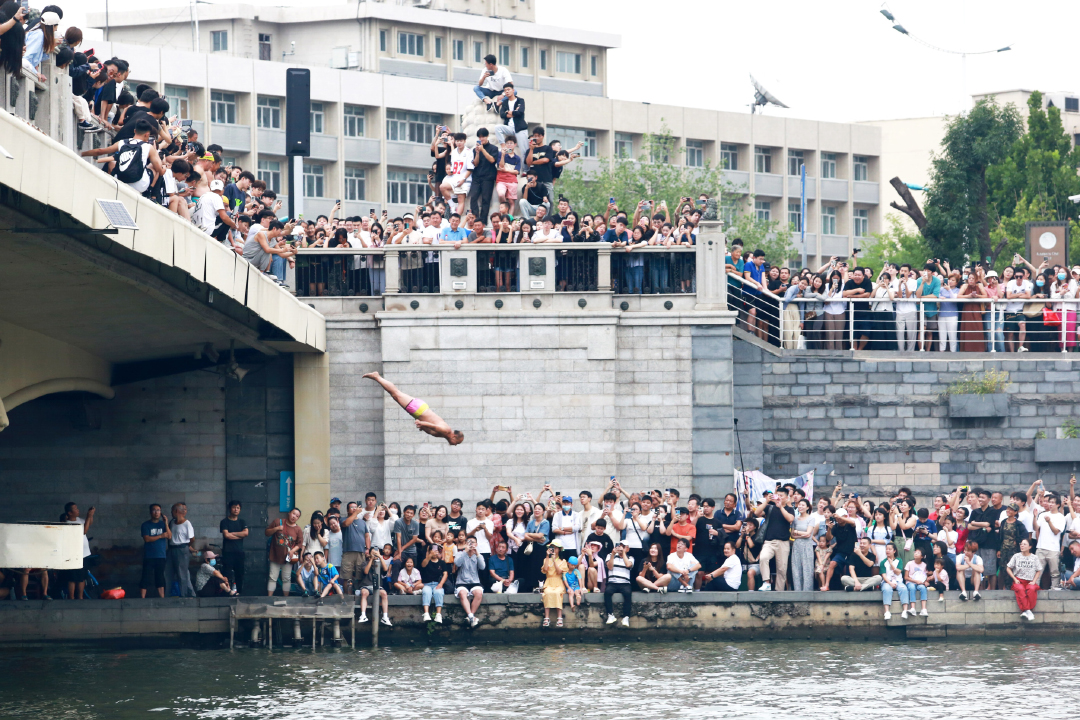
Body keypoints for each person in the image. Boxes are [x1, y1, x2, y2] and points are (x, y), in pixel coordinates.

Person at [363, 371, 464, 445]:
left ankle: (377, 377)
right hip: (418, 409)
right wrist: (422, 423)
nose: (455, 444)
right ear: (454, 436)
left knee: (396, 395)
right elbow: (433, 426)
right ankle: (377, 377)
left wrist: (422, 427)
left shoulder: (443, 434)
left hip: (419, 409)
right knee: (396, 394)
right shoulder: (446, 431)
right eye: (456, 442)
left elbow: (430, 429)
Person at [753, 488, 794, 591]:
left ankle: (779, 591)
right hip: (769, 541)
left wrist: (780, 507)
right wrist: (766, 501)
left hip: (783, 542)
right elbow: (757, 512)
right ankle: (766, 582)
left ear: (786, 497)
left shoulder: (789, 509)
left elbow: (790, 519)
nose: (778, 497)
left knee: (782, 569)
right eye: (777, 495)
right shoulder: (770, 507)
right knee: (763, 558)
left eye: (781, 496)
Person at [264, 508, 303, 597]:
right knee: (272, 578)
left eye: (297, 516)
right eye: (293, 514)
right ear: (289, 513)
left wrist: (293, 551)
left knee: (286, 579)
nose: (294, 517)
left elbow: (300, 544)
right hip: (275, 556)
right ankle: (269, 598)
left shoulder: (298, 529)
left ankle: (286, 598)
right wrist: (277, 528)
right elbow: (267, 532)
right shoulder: (278, 522)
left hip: (288, 559)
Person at [165, 502, 196, 598]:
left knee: (182, 574)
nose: (171, 512)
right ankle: (168, 594)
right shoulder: (172, 523)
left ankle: (184, 595)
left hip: (182, 549)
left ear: (176, 511)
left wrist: (186, 546)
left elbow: (192, 539)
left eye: (172, 510)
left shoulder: (187, 523)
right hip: (171, 549)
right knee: (168, 572)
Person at [1035, 492, 1066, 590]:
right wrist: (1034, 517)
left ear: (1058, 505)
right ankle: (1034, 588)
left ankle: (1055, 589)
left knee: (1055, 572)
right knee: (1037, 571)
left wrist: (1049, 522)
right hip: (1040, 547)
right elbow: (1036, 528)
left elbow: (1056, 532)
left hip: (1053, 549)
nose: (1050, 504)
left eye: (1053, 502)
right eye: (1049, 502)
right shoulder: (1042, 515)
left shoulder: (1061, 517)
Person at [1006, 538, 1041, 621]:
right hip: (1018, 580)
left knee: (1031, 589)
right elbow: (1008, 568)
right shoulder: (1016, 556)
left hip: (1030, 581)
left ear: (1030, 547)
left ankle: (1026, 611)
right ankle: (1028, 611)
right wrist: (1014, 579)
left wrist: (1034, 581)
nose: (1022, 545)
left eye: (1024, 544)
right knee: (1020, 589)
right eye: (1021, 544)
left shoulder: (1034, 557)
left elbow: (1038, 570)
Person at [139, 504, 170, 599]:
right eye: (154, 510)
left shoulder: (162, 524)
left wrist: (166, 523)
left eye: (158, 510)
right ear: (150, 512)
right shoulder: (146, 525)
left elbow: (169, 536)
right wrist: (160, 536)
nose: (156, 512)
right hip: (149, 555)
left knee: (160, 576)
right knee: (146, 576)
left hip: (161, 555)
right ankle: (142, 597)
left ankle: (162, 597)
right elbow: (147, 539)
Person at [454, 537, 486, 627]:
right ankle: (471, 616)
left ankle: (470, 616)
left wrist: (477, 553)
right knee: (462, 593)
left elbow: (482, 567)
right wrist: (465, 551)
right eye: (469, 542)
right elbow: (457, 563)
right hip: (461, 581)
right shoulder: (460, 554)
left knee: (479, 593)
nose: (471, 544)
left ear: (476, 544)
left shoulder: (479, 555)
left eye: (473, 542)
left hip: (475, 581)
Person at [219, 500, 248, 594]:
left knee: (239, 574)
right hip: (228, 552)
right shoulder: (224, 522)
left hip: (239, 552)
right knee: (227, 573)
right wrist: (240, 535)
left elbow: (246, 533)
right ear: (230, 509)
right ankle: (227, 592)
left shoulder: (242, 522)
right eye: (234, 507)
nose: (236, 509)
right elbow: (226, 535)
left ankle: (239, 592)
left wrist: (233, 533)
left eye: (238, 508)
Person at [357, 548, 391, 626]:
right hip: (366, 585)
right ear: (369, 554)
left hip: (378, 586)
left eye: (376, 553)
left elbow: (385, 569)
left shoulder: (379, 563)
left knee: (384, 594)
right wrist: (371, 559)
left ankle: (385, 617)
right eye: (373, 553)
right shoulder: (365, 563)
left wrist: (380, 557)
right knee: (364, 593)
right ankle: (363, 615)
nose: (375, 555)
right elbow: (366, 571)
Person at [604, 542, 634, 626]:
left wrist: (623, 553)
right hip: (612, 582)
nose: (621, 548)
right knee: (607, 592)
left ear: (628, 549)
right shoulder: (610, 555)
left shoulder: (630, 558)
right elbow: (610, 567)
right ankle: (610, 615)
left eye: (624, 547)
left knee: (628, 593)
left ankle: (626, 617)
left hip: (625, 583)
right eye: (620, 546)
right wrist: (613, 554)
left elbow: (628, 565)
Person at [541, 541, 569, 627]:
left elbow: (559, 571)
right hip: (549, 581)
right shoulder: (546, 559)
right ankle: (546, 617)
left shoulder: (563, 561)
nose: (554, 549)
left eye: (556, 548)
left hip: (558, 582)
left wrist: (554, 560)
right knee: (548, 593)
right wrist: (547, 556)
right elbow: (545, 570)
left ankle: (559, 618)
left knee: (557, 593)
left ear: (559, 549)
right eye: (552, 547)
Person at [880, 542, 908, 620]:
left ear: (894, 551)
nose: (887, 551)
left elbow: (898, 572)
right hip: (887, 581)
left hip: (898, 581)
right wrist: (890, 583)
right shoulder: (883, 562)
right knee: (886, 589)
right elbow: (884, 575)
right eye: (886, 549)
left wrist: (891, 564)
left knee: (903, 588)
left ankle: (905, 611)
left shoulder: (899, 560)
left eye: (890, 549)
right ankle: (887, 612)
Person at [420, 543, 448, 623]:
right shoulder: (426, 561)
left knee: (439, 592)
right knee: (426, 592)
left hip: (437, 584)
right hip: (427, 584)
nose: (435, 553)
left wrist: (441, 584)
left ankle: (438, 615)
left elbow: (445, 574)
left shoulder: (441, 563)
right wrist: (429, 555)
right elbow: (423, 565)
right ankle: (426, 613)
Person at [904, 547, 930, 616]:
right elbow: (906, 577)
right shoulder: (909, 563)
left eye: (918, 553)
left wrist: (925, 582)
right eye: (915, 552)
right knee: (912, 587)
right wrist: (915, 581)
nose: (915, 553)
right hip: (911, 582)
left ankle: (924, 609)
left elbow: (925, 576)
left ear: (922, 556)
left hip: (920, 582)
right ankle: (913, 608)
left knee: (923, 588)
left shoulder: (924, 565)